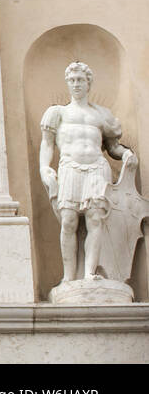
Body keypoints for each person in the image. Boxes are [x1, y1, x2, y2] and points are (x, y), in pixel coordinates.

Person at [39, 62, 131, 283]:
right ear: (67, 83)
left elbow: (112, 146)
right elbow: (47, 144)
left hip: (97, 168)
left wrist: (126, 155)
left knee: (95, 218)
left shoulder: (101, 115)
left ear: (89, 83)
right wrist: (44, 167)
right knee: (68, 220)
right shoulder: (57, 113)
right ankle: (68, 277)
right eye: (72, 80)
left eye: (80, 80)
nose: (76, 84)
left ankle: (89, 272)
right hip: (70, 166)